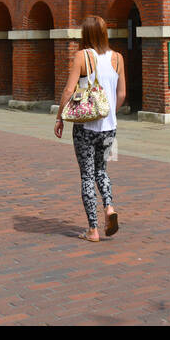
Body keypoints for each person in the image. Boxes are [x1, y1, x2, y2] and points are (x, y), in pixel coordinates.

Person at [54, 16, 127, 242]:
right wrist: (108, 112)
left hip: (85, 126)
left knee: (87, 176)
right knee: (102, 171)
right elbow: (122, 93)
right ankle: (110, 207)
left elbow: (68, 90)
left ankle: (93, 229)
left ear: (85, 34)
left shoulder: (82, 56)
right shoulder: (118, 58)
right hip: (109, 128)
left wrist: (60, 117)